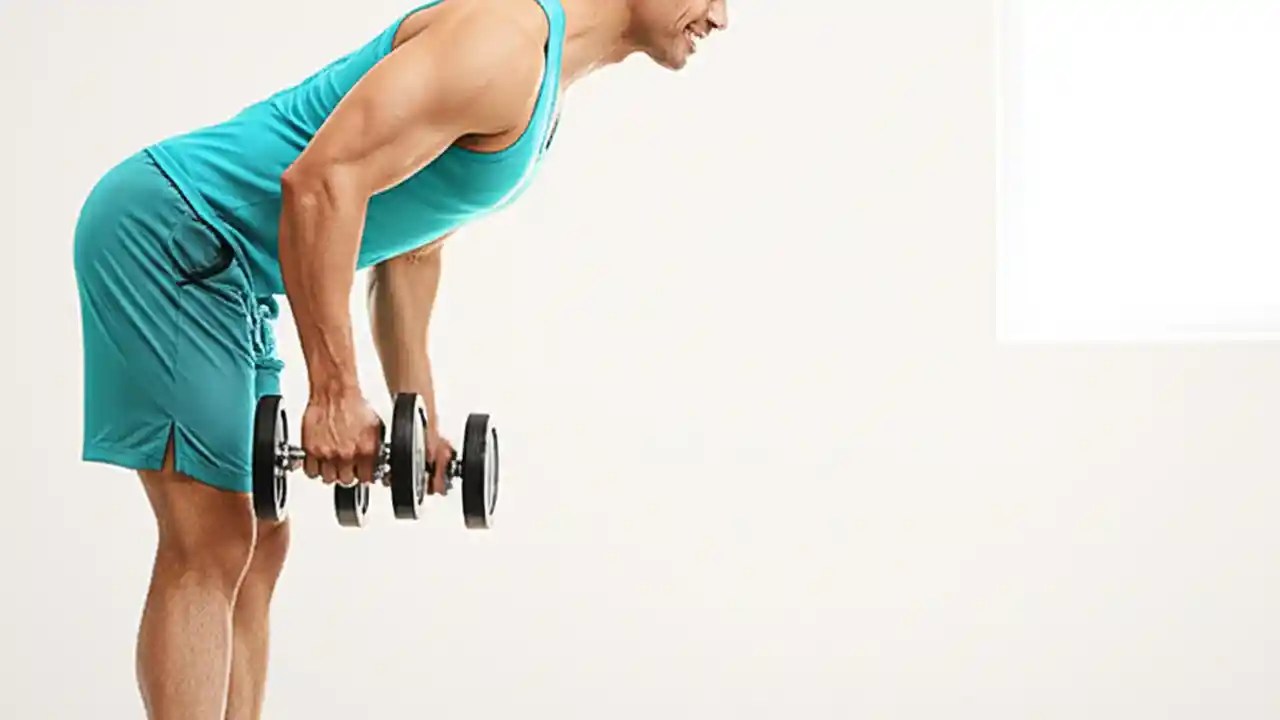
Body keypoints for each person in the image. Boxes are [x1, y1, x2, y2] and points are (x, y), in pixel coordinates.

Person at [71, 0, 728, 718]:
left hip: (231, 268)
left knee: (260, 542)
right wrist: (334, 394)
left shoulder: (543, 83)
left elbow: (413, 248)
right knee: (213, 538)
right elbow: (322, 184)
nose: (720, 17)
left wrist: (419, 412)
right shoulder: (502, 43)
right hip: (170, 231)